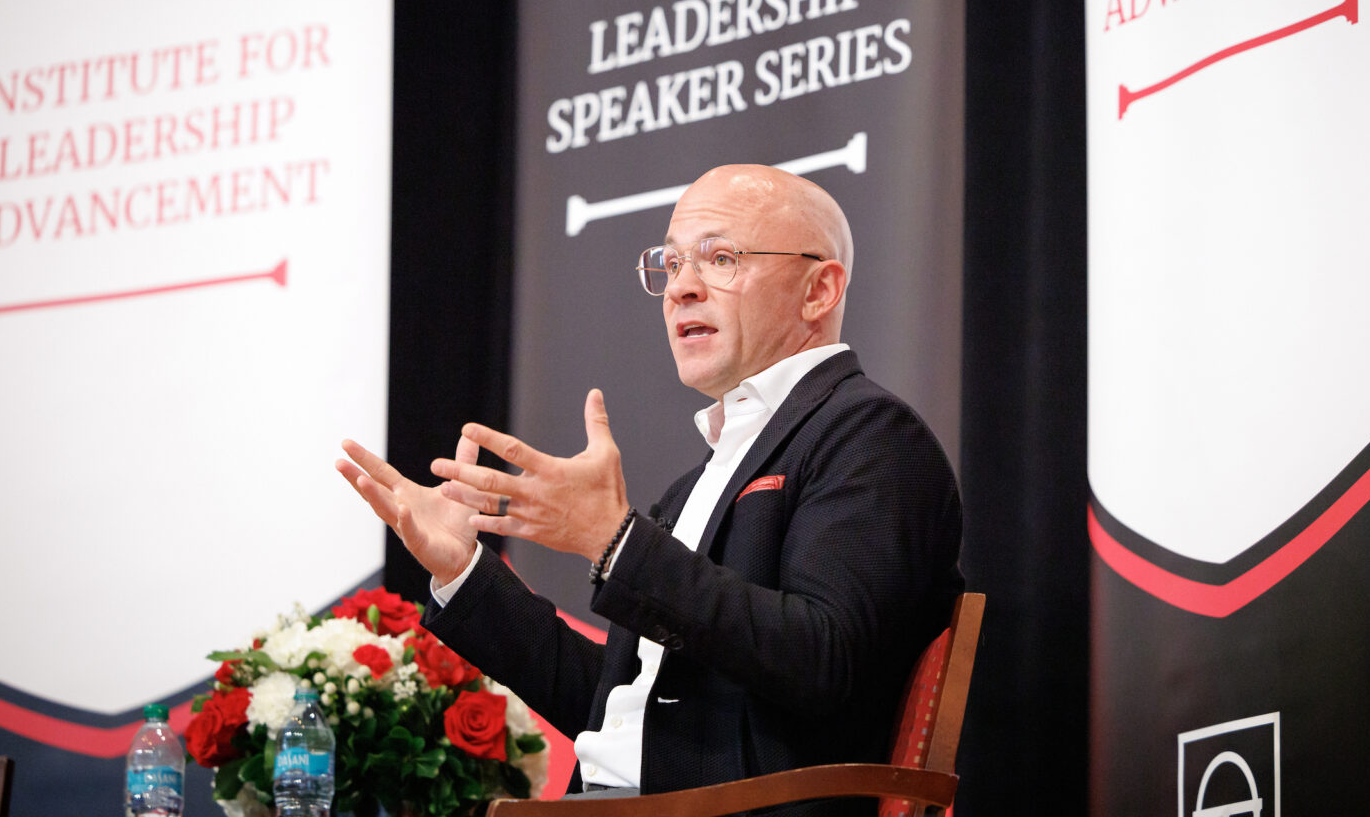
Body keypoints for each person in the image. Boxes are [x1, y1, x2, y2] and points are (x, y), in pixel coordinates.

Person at [337, 164, 962, 813]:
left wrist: (615, 540)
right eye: (671, 264)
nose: (681, 288)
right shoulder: (702, 479)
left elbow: (824, 659)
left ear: (818, 290)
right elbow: (614, 706)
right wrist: (466, 572)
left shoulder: (868, 434)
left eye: (720, 258)